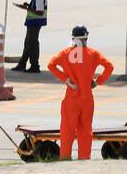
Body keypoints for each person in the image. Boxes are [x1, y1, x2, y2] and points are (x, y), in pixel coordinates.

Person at [47, 25, 115, 160]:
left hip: (71, 98)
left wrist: (66, 79)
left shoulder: (65, 53)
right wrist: (97, 81)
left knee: (67, 131)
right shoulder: (93, 54)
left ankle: (65, 159)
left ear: (73, 38)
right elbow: (109, 66)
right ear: (86, 38)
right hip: (87, 99)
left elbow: (51, 65)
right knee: (85, 132)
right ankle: (84, 160)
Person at [12, 0, 47, 73]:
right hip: (33, 23)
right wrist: (29, 5)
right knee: (28, 43)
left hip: (35, 23)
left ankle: (34, 65)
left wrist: (27, 8)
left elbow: (40, 12)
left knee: (32, 44)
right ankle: (22, 63)